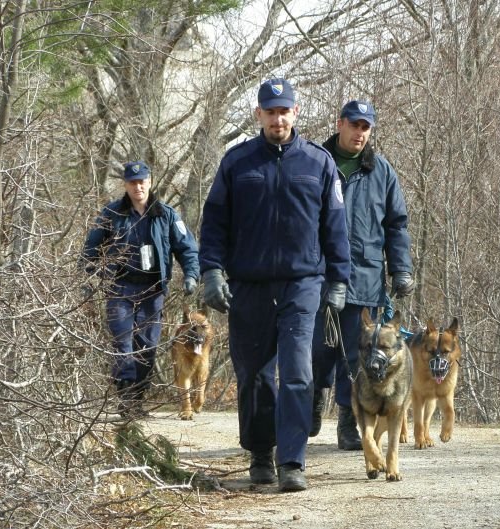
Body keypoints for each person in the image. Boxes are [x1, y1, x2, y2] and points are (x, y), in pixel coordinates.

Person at [199, 78, 350, 492]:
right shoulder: (237, 162)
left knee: (299, 372)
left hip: (303, 284)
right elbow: (214, 223)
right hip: (248, 286)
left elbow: (336, 228)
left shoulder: (318, 163)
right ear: (259, 114)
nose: (278, 118)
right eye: (270, 111)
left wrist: (339, 279)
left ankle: (292, 461)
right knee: (255, 376)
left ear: (295, 113)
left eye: (284, 111)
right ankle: (261, 453)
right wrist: (212, 271)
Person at [309, 100, 415, 450]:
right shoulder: (314, 162)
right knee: (315, 349)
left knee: (354, 357)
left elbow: (396, 225)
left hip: (365, 278)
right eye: (354, 124)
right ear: (340, 124)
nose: (360, 132)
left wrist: (401, 269)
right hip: (318, 275)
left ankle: (348, 422)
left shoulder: (381, 172)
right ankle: (309, 403)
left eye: (366, 127)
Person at [82, 160, 200, 419]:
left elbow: (187, 248)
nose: (138, 186)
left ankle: (137, 399)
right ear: (125, 184)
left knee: (147, 346)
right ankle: (125, 400)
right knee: (122, 343)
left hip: (152, 289)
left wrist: (191, 275)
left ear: (150, 182)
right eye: (132, 182)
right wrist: (88, 278)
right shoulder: (111, 214)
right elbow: (90, 249)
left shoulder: (166, 214)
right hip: (119, 287)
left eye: (142, 181)